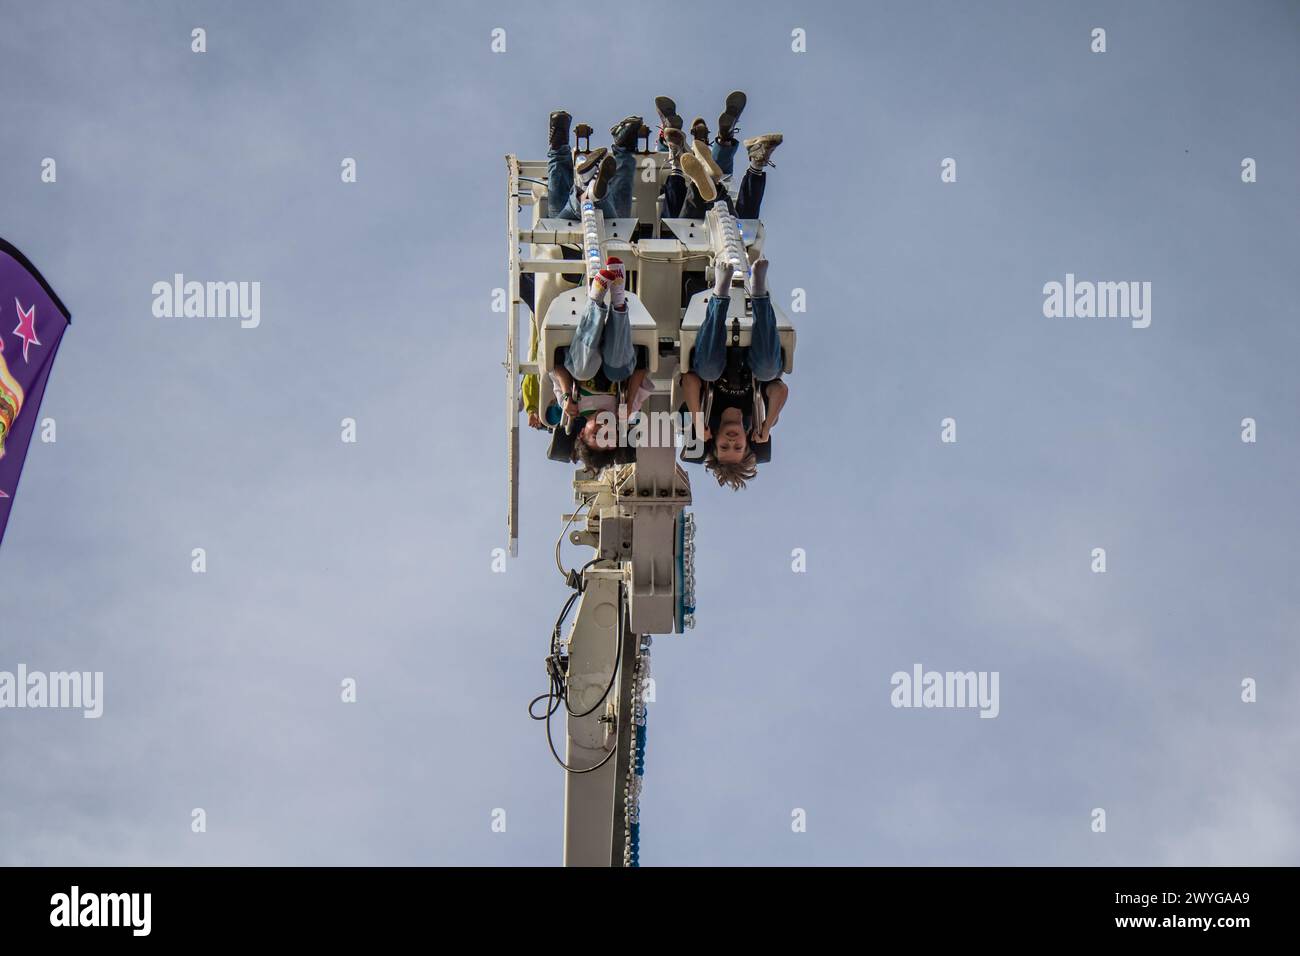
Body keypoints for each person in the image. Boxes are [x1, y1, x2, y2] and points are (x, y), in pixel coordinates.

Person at [680, 257, 788, 491]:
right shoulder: (759, 417)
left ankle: (720, 292)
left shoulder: (706, 417)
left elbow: (688, 380)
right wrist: (767, 426)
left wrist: (698, 420)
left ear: (715, 442)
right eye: (737, 447)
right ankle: (759, 293)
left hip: (713, 352)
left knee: (707, 373)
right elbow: (779, 389)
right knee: (768, 370)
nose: (731, 442)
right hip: (754, 354)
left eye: (724, 447)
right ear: (747, 442)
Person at [547, 257, 654, 472]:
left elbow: (556, 369)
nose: (605, 428)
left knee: (584, 371)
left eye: (596, 434)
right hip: (618, 350)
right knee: (617, 373)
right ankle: (618, 298)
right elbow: (642, 370)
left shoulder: (572, 408)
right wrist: (629, 400)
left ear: (582, 432)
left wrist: (567, 394)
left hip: (584, 350)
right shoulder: (626, 410)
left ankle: (596, 300)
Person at [655, 92, 782, 221]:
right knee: (745, 223)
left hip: (697, 203)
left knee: (672, 223)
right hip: (717, 195)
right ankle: (729, 142)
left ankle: (754, 160)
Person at [546, 110, 642, 221]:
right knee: (617, 216)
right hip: (610, 223)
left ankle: (625, 148)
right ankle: (558, 140)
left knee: (618, 214)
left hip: (568, 225)